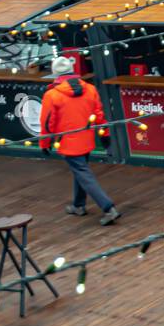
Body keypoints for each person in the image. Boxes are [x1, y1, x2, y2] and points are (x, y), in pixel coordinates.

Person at [39, 56, 120, 225]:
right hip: (86, 139)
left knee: (83, 174)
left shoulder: (52, 95)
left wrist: (44, 144)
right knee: (81, 172)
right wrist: (105, 136)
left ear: (55, 74)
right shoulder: (90, 89)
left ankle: (108, 208)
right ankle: (78, 205)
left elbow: (47, 124)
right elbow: (99, 115)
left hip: (68, 142)